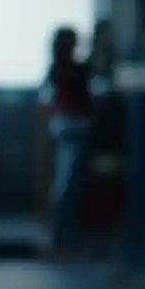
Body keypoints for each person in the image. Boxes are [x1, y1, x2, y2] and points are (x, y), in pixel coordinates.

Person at [42, 27, 92, 258]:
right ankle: (61, 239)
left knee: (68, 185)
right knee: (66, 186)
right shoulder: (64, 69)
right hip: (70, 128)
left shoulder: (67, 69)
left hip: (69, 127)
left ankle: (64, 238)